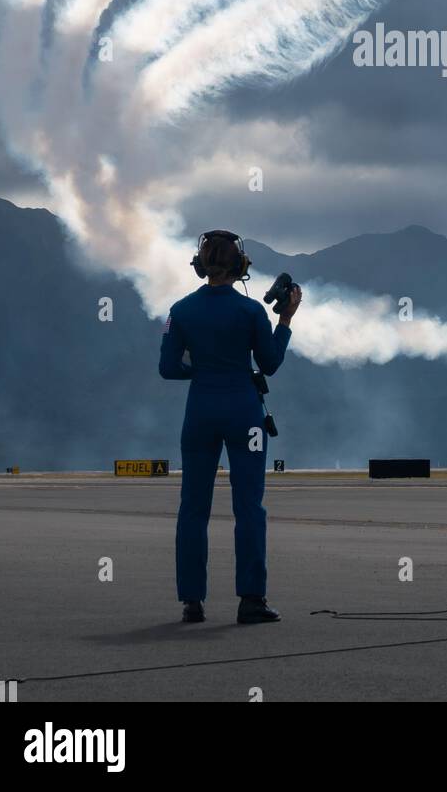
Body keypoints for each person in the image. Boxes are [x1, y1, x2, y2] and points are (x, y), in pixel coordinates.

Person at [159, 229, 301, 624]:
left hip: (200, 411)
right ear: (240, 267)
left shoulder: (180, 310)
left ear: (200, 265)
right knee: (249, 507)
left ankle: (192, 601)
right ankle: (251, 600)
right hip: (244, 412)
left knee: (193, 508)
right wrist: (286, 319)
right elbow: (270, 363)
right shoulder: (252, 311)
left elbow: (168, 369)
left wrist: (203, 369)